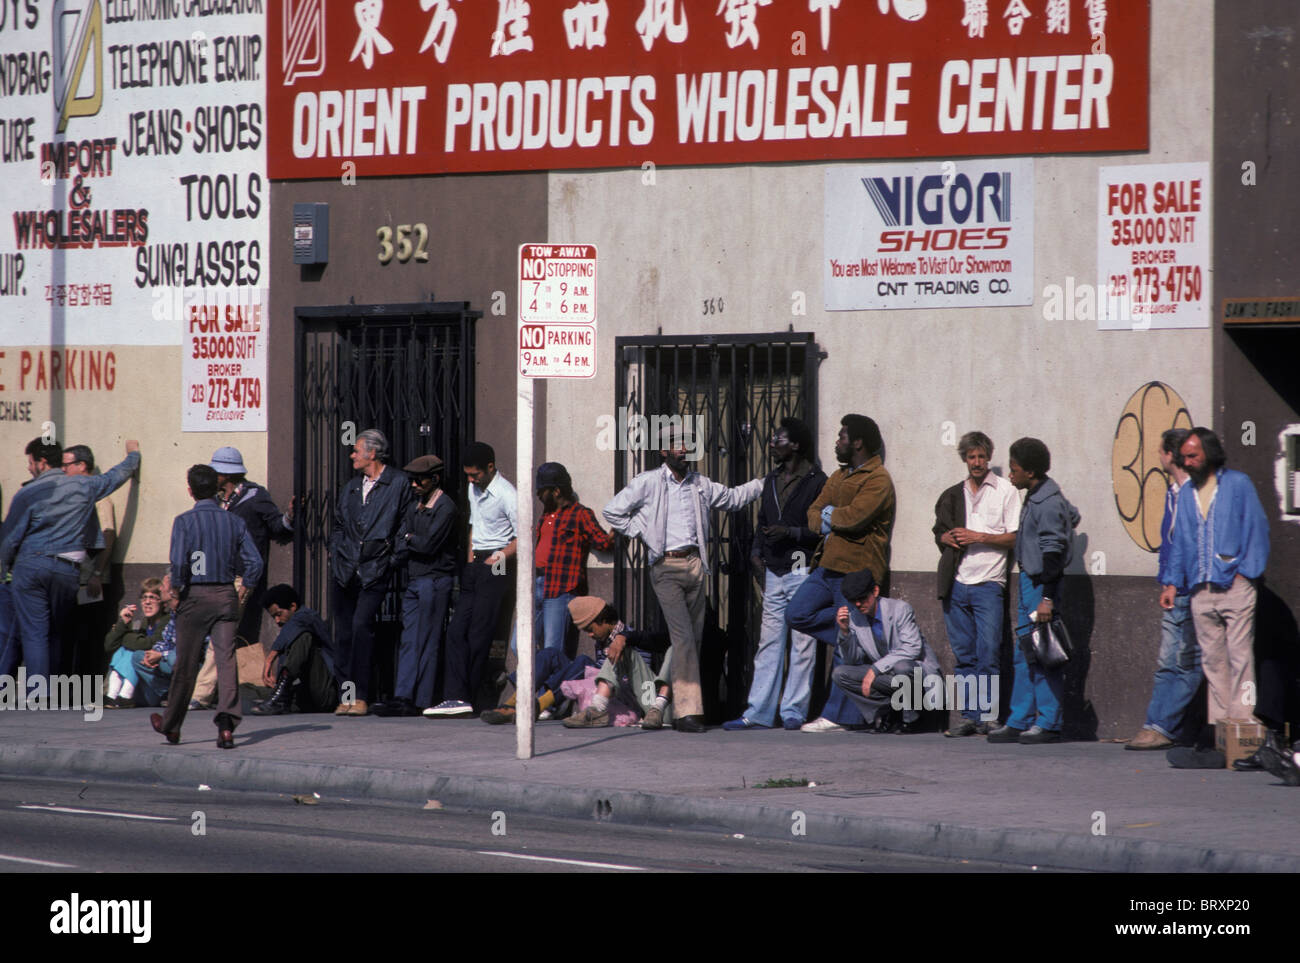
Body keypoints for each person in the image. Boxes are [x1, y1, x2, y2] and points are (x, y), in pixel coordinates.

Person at [602, 429, 762, 732]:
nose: (684, 450)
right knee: (684, 638)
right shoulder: (649, 482)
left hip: (695, 565)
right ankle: (688, 713)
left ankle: (669, 707)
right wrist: (643, 531)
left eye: (687, 445)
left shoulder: (699, 484)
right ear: (664, 451)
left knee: (691, 639)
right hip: (666, 567)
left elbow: (732, 498)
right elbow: (612, 511)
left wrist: (763, 484)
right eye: (678, 445)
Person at [0, 436, 140, 698]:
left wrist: (3, 569)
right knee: (57, 631)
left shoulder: (28, 493)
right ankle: (54, 690)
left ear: (42, 463)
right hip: (68, 570)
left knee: (35, 634)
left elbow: (9, 538)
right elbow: (116, 476)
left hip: (31, 566)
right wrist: (134, 454)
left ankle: (38, 693)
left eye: (30, 463)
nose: (29, 468)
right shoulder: (85, 485)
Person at [787, 414, 895, 732]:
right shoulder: (838, 475)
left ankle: (836, 717)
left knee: (846, 644)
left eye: (842, 436)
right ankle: (859, 639)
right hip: (826, 566)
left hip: (856, 569)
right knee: (796, 613)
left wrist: (828, 516)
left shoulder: (878, 479)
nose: (837, 442)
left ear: (858, 442)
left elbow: (854, 518)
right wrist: (831, 516)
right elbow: (811, 513)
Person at [1162, 428, 1270, 729]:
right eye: (1184, 457)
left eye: (1193, 456)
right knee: (1212, 659)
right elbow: (1181, 541)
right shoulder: (1187, 493)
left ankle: (1242, 720)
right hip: (1200, 588)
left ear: (1209, 453)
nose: (1187, 462)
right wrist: (1172, 582)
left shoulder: (1237, 484)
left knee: (1240, 655)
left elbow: (1257, 528)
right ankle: (1221, 726)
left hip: (1235, 584)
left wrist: (1246, 573)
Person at [724, 417, 826, 730]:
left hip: (801, 566)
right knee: (769, 643)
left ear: (795, 445)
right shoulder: (770, 480)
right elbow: (763, 522)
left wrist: (791, 532)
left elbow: (821, 529)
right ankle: (759, 712)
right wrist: (756, 552)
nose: (771, 443)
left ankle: (793, 711)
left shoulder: (817, 481)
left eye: (778, 439)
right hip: (773, 569)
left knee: (803, 643)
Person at [151, 464, 262, 749]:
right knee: (225, 661)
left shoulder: (184, 521)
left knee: (186, 664)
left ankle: (172, 726)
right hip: (225, 594)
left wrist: (176, 591)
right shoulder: (234, 521)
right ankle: (226, 726)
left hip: (195, 596)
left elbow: (179, 562)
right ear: (216, 489)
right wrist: (245, 586)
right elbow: (255, 561)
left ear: (190, 491)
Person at [988, 437, 1080, 745]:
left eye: (1014, 469)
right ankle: (1020, 719)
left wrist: (1047, 599)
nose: (1009, 474)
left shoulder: (1048, 502)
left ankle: (1049, 722)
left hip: (1041, 584)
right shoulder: (1040, 494)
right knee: (1024, 653)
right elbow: (1073, 515)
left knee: (1043, 652)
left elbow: (1053, 550)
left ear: (1030, 472)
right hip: (1030, 580)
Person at [933, 431, 1019, 737]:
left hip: (989, 584)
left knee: (989, 653)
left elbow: (1014, 537)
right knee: (965, 655)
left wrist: (978, 536)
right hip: (956, 583)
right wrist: (945, 537)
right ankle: (970, 716)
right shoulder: (953, 494)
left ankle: (989, 716)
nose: (977, 462)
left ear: (989, 457)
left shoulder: (1006, 491)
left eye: (982, 456)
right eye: (971, 457)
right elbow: (938, 531)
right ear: (965, 459)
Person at [427, 442, 517, 718]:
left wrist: (497, 558)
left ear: (490, 468)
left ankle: (473, 697)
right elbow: (474, 526)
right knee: (456, 631)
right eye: (467, 475)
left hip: (497, 562)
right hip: (475, 562)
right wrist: (470, 559)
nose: (470, 480)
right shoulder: (472, 488)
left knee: (480, 632)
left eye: (474, 474)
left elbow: (526, 534)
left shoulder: (507, 494)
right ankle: (455, 697)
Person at [1128, 428, 1202, 751]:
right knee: (1167, 663)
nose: (1158, 456)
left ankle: (1163, 725)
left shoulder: (1193, 493)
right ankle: (1155, 724)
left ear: (1171, 455)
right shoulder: (1174, 492)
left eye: (1160, 451)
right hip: (1174, 588)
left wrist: (1177, 581)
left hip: (1189, 588)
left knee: (1186, 662)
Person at [329, 428, 411, 717]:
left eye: (356, 450)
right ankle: (347, 696)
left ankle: (361, 695)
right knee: (344, 634)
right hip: (345, 568)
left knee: (362, 627)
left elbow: (405, 525)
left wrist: (392, 559)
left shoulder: (397, 483)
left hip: (375, 568)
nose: (352, 455)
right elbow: (339, 524)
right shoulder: (352, 487)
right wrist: (336, 552)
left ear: (372, 453)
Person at [372, 455, 457, 717]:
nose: (414, 485)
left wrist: (410, 539)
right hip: (416, 579)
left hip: (435, 580)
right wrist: (410, 539)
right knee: (409, 640)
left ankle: (421, 698)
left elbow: (428, 545)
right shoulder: (415, 506)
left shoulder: (445, 507)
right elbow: (402, 540)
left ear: (435, 479)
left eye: (419, 480)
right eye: (412, 480)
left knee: (428, 641)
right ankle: (403, 695)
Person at [831, 569, 942, 731]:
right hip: (888, 677)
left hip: (917, 674)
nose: (858, 604)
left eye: (862, 598)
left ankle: (913, 718)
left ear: (875, 591)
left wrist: (875, 669)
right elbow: (852, 660)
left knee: (902, 666)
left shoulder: (900, 609)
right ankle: (886, 710)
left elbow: (912, 648)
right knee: (840, 674)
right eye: (853, 600)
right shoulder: (855, 618)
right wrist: (845, 632)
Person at [210, 446, 295, 645]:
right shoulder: (216, 500)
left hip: (240, 576)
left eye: (216, 472)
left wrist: (289, 517)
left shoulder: (255, 495)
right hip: (218, 575)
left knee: (225, 632)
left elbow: (276, 525)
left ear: (227, 474)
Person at [530, 462, 614, 653]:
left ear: (556, 491)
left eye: (541, 491)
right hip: (536, 585)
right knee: (520, 644)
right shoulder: (545, 515)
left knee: (553, 649)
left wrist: (619, 527)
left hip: (560, 589)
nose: (538, 495)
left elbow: (602, 542)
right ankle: (545, 672)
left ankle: (554, 674)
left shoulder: (580, 514)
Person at [562, 596, 673, 729]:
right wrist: (622, 637)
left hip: (669, 708)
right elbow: (656, 639)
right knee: (619, 650)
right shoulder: (606, 640)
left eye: (590, 630)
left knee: (678, 647)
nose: (590, 635)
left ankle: (658, 707)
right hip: (647, 700)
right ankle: (597, 709)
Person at [62, 444, 118, 677]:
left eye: (66, 465)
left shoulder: (98, 497)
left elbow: (108, 534)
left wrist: (97, 573)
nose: (63, 470)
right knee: (71, 635)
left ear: (82, 465)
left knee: (87, 637)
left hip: (91, 582)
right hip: (75, 578)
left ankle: (85, 688)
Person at [250, 584, 339, 715]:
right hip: (303, 697)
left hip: (326, 694)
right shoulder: (288, 633)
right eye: (274, 617)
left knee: (304, 636)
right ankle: (281, 697)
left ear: (293, 606)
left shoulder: (308, 616)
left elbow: (299, 621)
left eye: (279, 614)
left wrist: (270, 659)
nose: (277, 621)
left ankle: (280, 699)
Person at [102, 577, 175, 708]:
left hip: (157, 689)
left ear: (163, 602)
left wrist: (125, 635)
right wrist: (123, 623)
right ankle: (113, 696)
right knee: (122, 650)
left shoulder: (167, 621)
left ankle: (124, 695)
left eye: (153, 598)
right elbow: (109, 645)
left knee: (133, 651)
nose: (147, 602)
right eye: (144, 598)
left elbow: (148, 644)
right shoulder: (145, 623)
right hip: (142, 687)